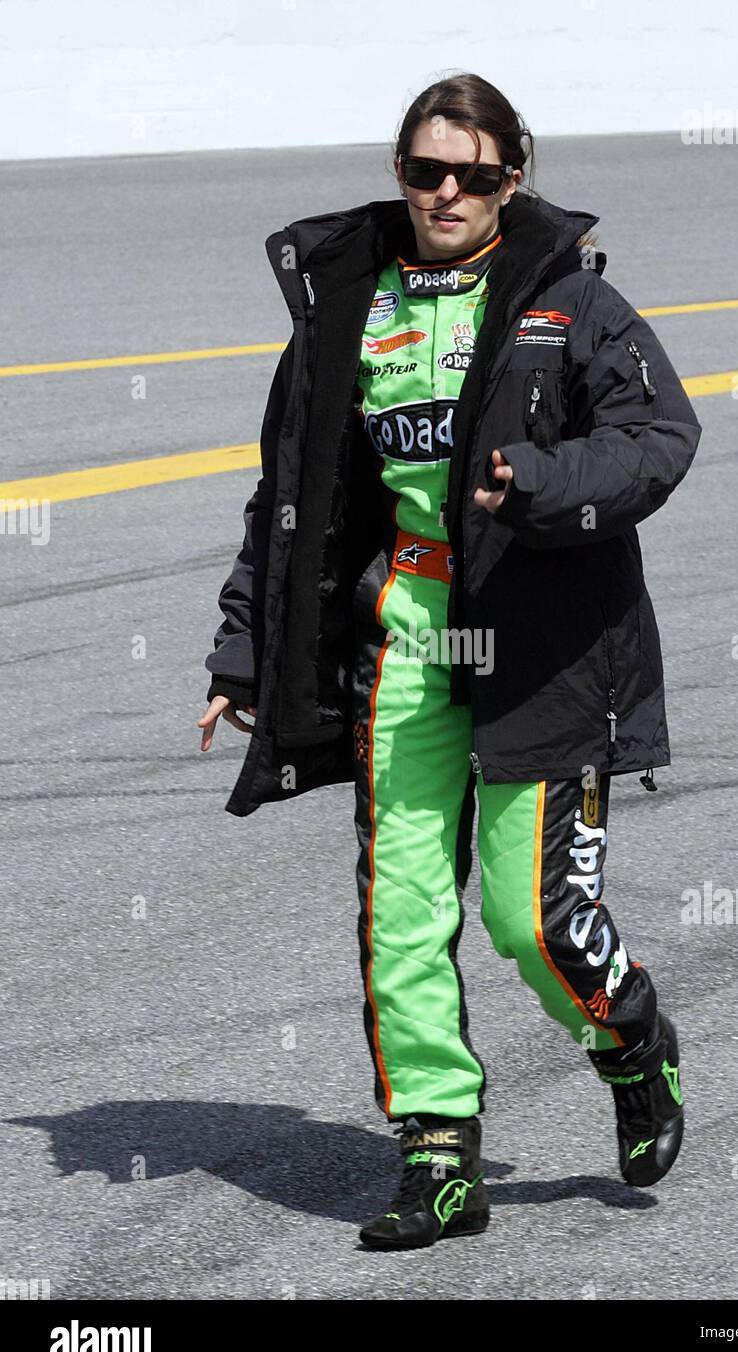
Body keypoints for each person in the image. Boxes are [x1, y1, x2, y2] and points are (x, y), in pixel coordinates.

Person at [198, 73, 702, 1251]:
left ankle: (628, 1040)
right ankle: (436, 1153)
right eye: (425, 170)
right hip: (412, 629)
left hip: (541, 636)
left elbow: (657, 441)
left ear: (509, 180)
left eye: (473, 175)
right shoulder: (347, 308)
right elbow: (292, 500)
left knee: (530, 921)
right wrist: (243, 650)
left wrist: (539, 481)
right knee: (401, 907)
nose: (446, 193)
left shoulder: (566, 301)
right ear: (398, 172)